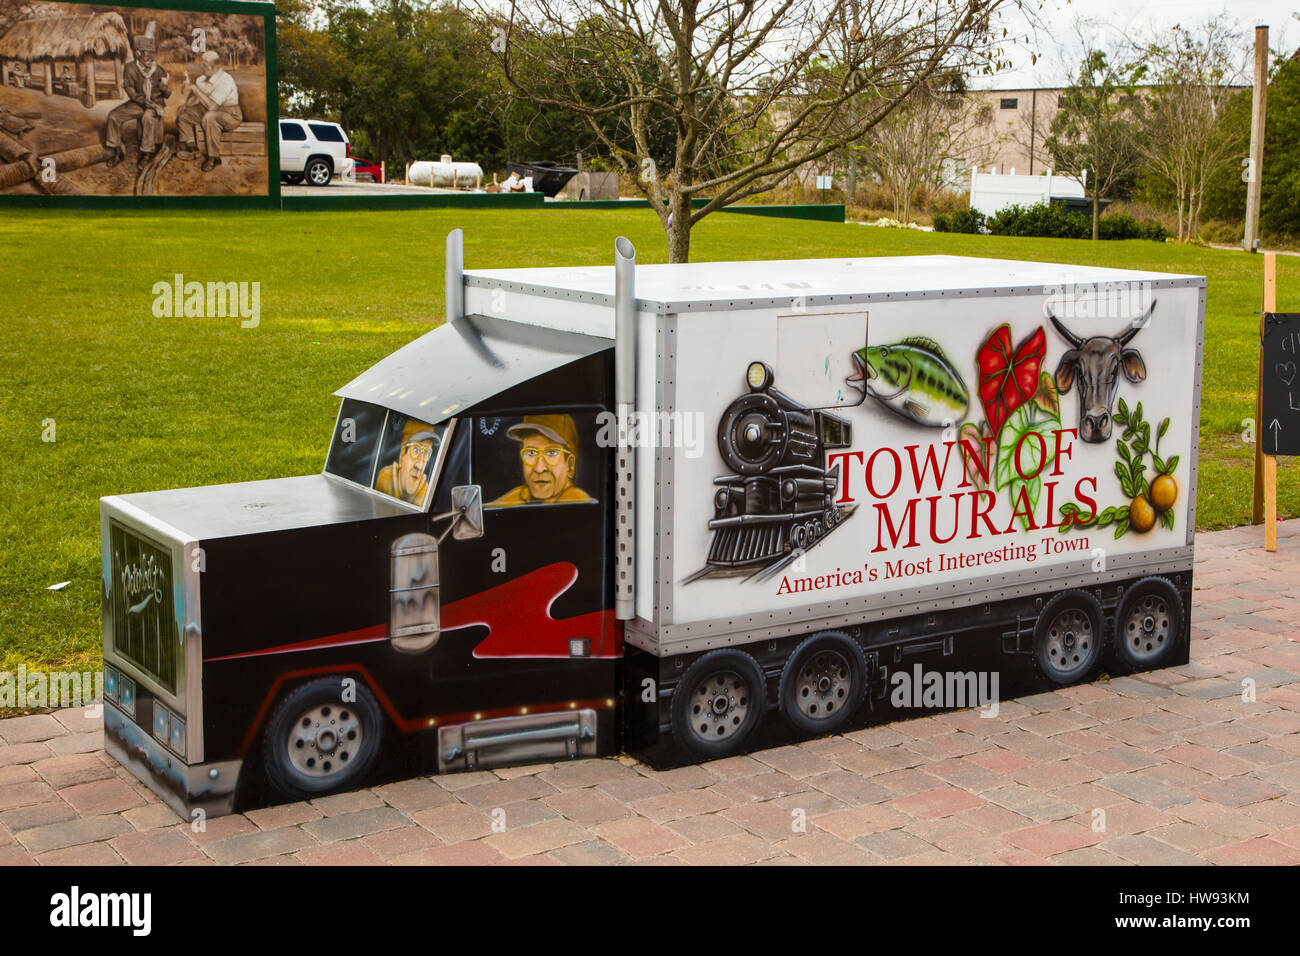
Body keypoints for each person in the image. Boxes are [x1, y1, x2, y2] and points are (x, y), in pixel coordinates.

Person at [489, 414, 592, 507]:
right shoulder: (523, 494)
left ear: (570, 465)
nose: (539, 468)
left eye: (551, 453)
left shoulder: (575, 500)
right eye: (531, 453)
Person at [103, 33, 169, 168]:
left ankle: (146, 152)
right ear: (138, 53)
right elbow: (130, 89)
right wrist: (143, 101)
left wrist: (164, 88)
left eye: (152, 54)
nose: (150, 58)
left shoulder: (159, 70)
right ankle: (116, 150)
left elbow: (167, 95)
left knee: (147, 118)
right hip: (138, 103)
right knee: (113, 116)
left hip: (155, 104)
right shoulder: (130, 68)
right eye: (147, 54)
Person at [175, 51, 242, 173]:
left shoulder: (225, 80)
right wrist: (185, 104)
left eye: (205, 65)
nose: (202, 68)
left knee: (209, 117)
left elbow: (212, 106)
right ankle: (191, 147)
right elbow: (196, 99)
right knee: (184, 114)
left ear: (215, 66)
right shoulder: (202, 79)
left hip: (230, 114)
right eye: (202, 65)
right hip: (209, 109)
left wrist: (194, 88)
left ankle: (214, 157)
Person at [374, 419, 439, 505]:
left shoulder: (427, 494)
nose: (419, 465)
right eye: (416, 450)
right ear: (402, 453)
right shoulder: (385, 476)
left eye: (426, 452)